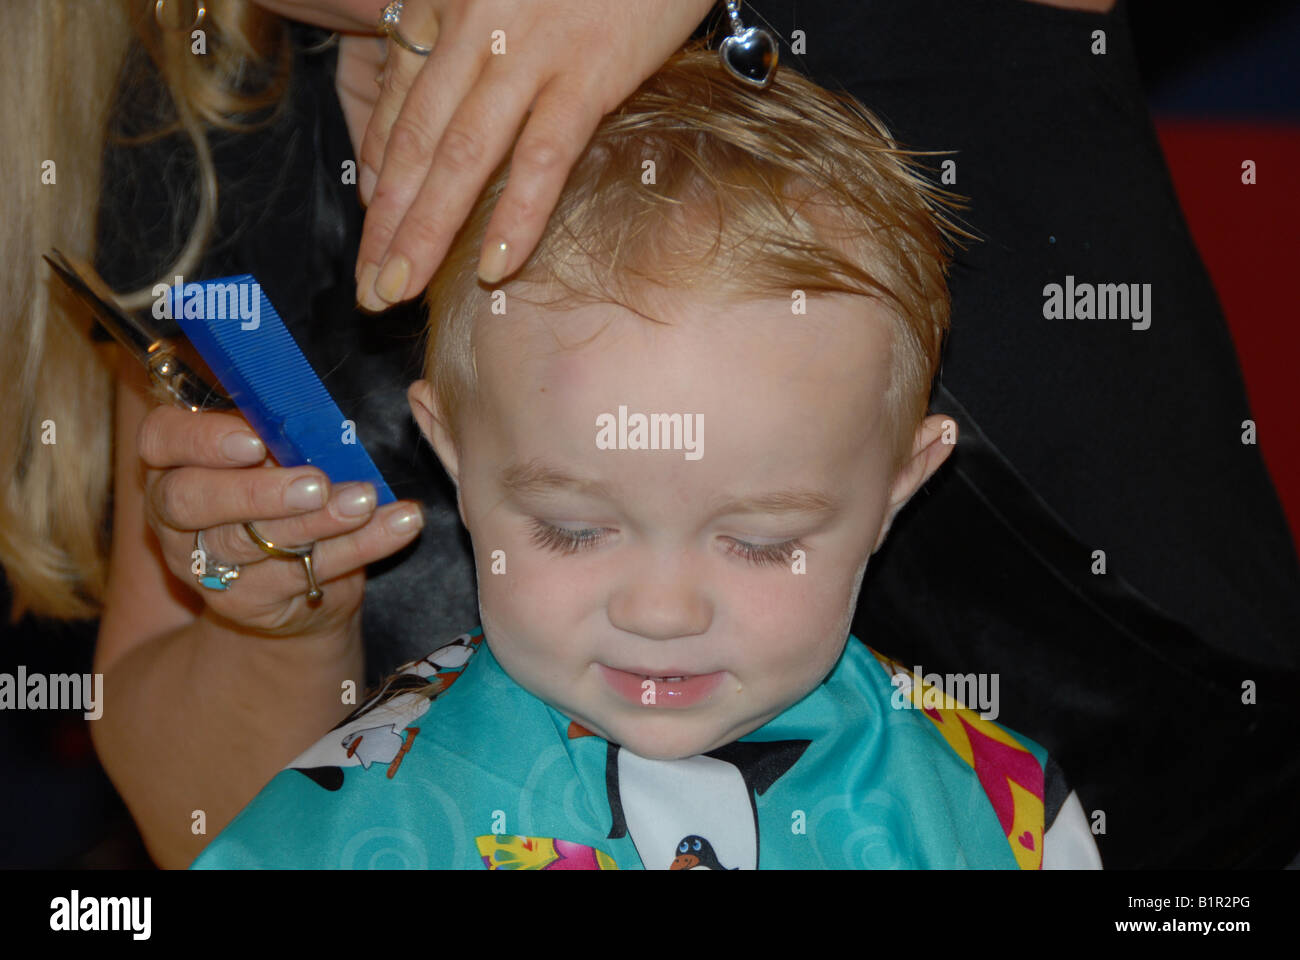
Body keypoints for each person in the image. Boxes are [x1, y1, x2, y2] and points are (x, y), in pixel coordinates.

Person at [189, 45, 1103, 870]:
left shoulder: (996, 815)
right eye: (573, 530)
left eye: (760, 539)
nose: (660, 612)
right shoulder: (351, 833)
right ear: (451, 456)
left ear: (900, 487)